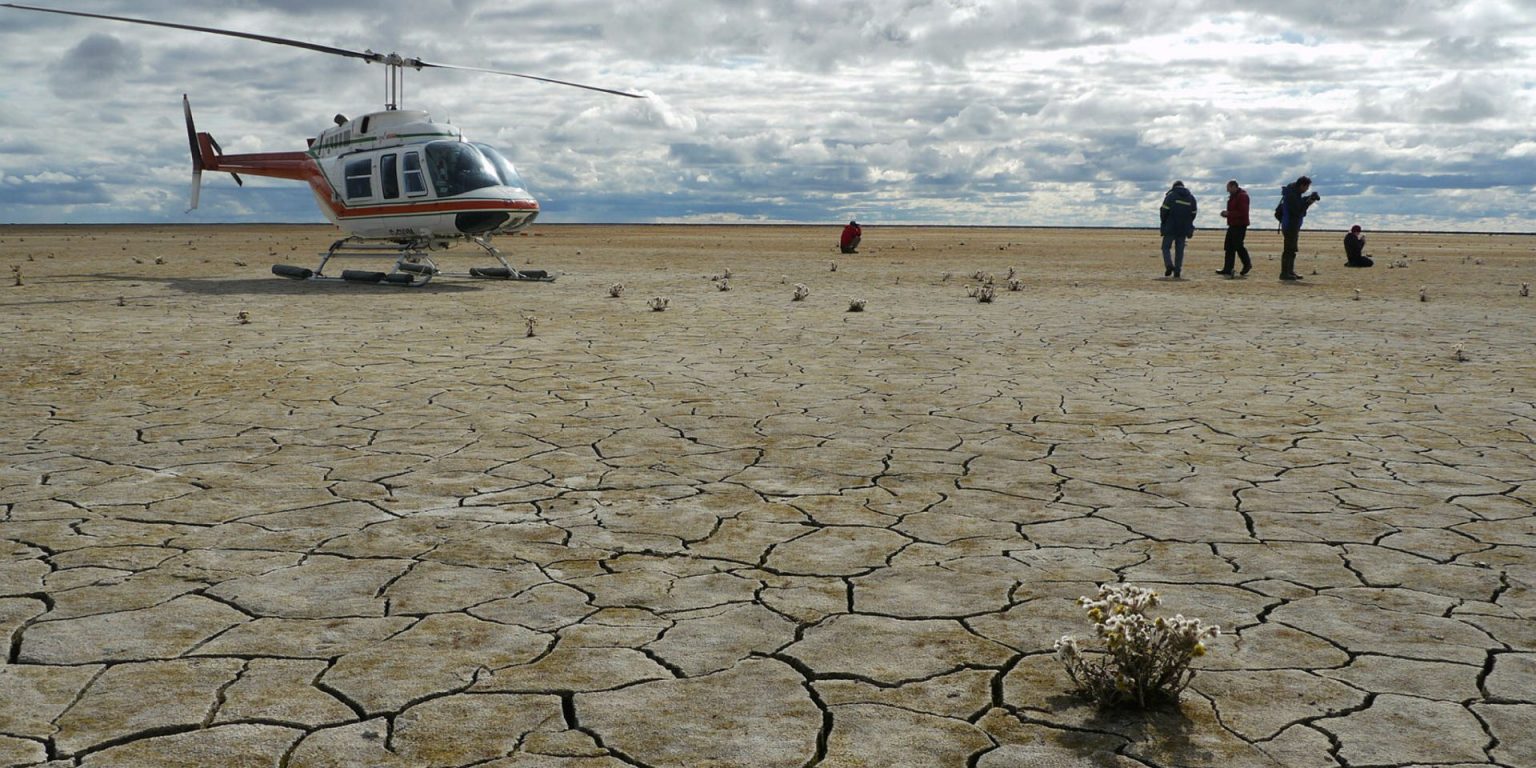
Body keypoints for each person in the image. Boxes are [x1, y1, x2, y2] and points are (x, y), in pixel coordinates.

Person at [1278, 175, 1320, 281]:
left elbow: (1300, 204)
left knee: (1292, 249)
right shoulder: (1292, 195)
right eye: (1306, 187)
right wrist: (1309, 201)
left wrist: (1310, 198)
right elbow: (1298, 210)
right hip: (1289, 225)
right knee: (1289, 249)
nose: (1306, 189)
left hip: (1292, 225)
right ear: (1302, 185)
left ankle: (1289, 271)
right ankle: (1284, 273)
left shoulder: (1294, 193)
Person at [1159, 181, 1197, 278]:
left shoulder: (1170, 196)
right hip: (1183, 228)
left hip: (1170, 226)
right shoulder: (1191, 198)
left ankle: (1169, 265)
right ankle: (1177, 271)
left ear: (1174, 187)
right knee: (1179, 250)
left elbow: (1164, 210)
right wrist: (1188, 222)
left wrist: (1164, 222)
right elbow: (1194, 213)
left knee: (1165, 247)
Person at [1215, 179, 1251, 277]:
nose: (1227, 190)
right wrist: (1227, 214)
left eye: (1229, 188)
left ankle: (1247, 264)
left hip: (1240, 225)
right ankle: (1227, 268)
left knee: (1238, 246)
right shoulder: (1233, 196)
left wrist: (1229, 213)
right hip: (1232, 224)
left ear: (1234, 186)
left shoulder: (1242, 196)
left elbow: (1242, 212)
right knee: (1229, 247)